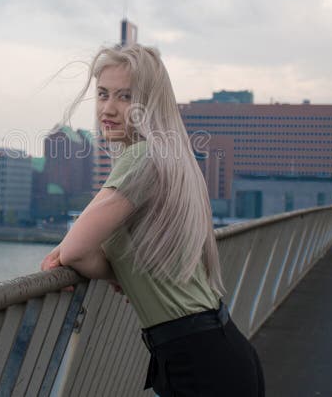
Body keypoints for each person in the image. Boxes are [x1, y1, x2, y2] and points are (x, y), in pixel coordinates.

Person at [41, 44, 265, 396]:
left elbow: (75, 252)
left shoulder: (142, 158)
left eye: (125, 97)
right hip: (212, 352)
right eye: (102, 95)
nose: (108, 109)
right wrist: (126, 274)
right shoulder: (171, 156)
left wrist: (113, 272)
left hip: (200, 363)